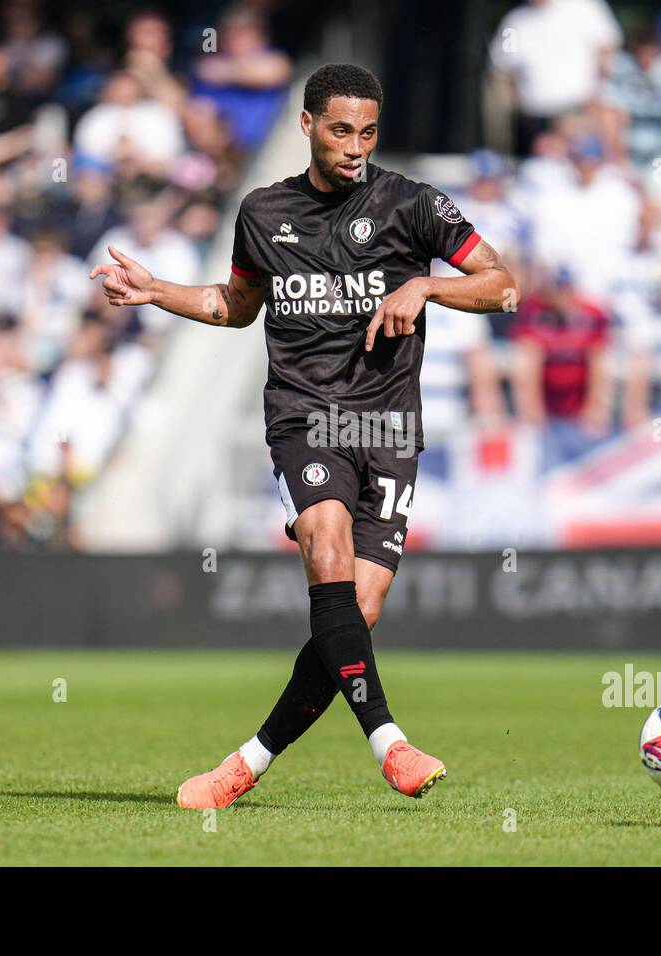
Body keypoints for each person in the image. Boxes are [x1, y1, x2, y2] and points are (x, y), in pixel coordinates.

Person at [91, 64, 518, 809]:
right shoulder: (262, 211)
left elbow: (503, 284)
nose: (356, 146)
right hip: (305, 417)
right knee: (325, 546)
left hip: (386, 425)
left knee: (357, 614)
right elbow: (237, 304)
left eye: (369, 132)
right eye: (341, 129)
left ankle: (246, 763)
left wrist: (426, 285)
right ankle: (392, 744)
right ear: (309, 125)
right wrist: (158, 289)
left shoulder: (411, 204)